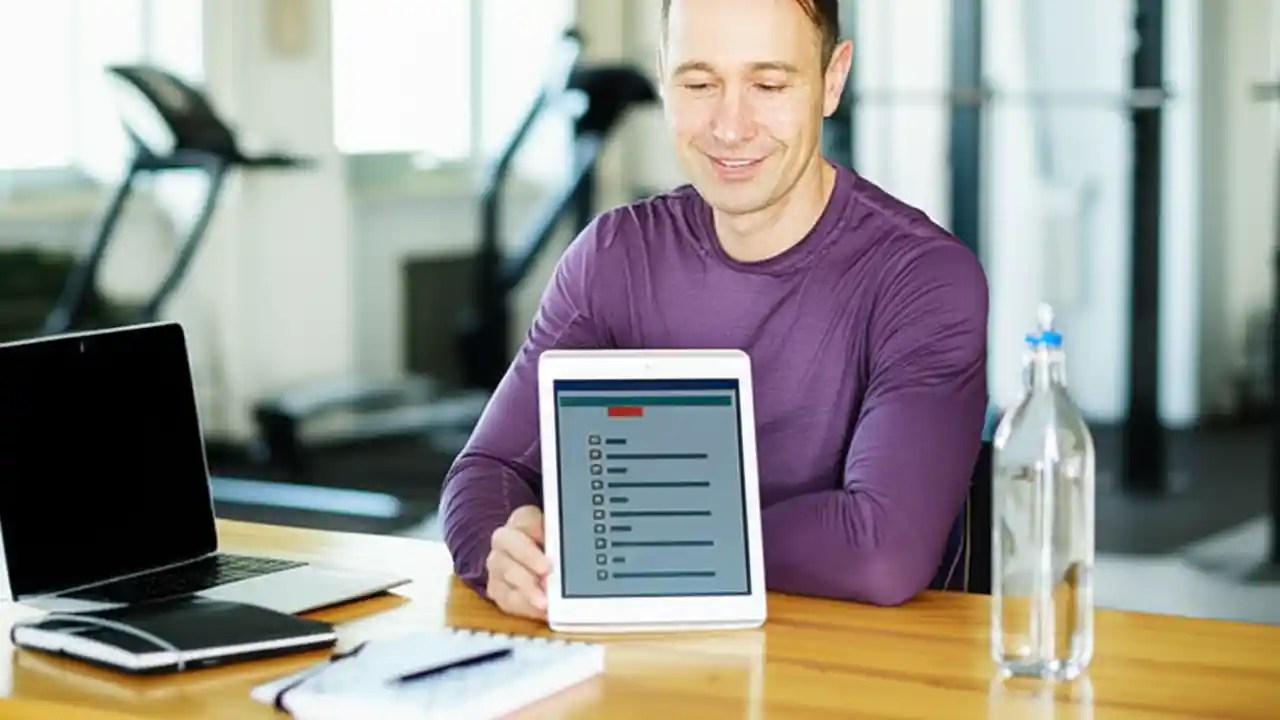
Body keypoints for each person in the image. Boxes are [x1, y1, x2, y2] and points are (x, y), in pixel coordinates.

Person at [440, 0, 988, 620]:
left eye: (769, 84)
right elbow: (484, 470)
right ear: (663, 75)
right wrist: (505, 552)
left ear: (832, 80)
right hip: (652, 665)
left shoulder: (923, 278)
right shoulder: (615, 256)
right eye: (700, 84)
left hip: (848, 667)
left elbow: (880, 552)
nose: (731, 127)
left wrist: (626, 544)